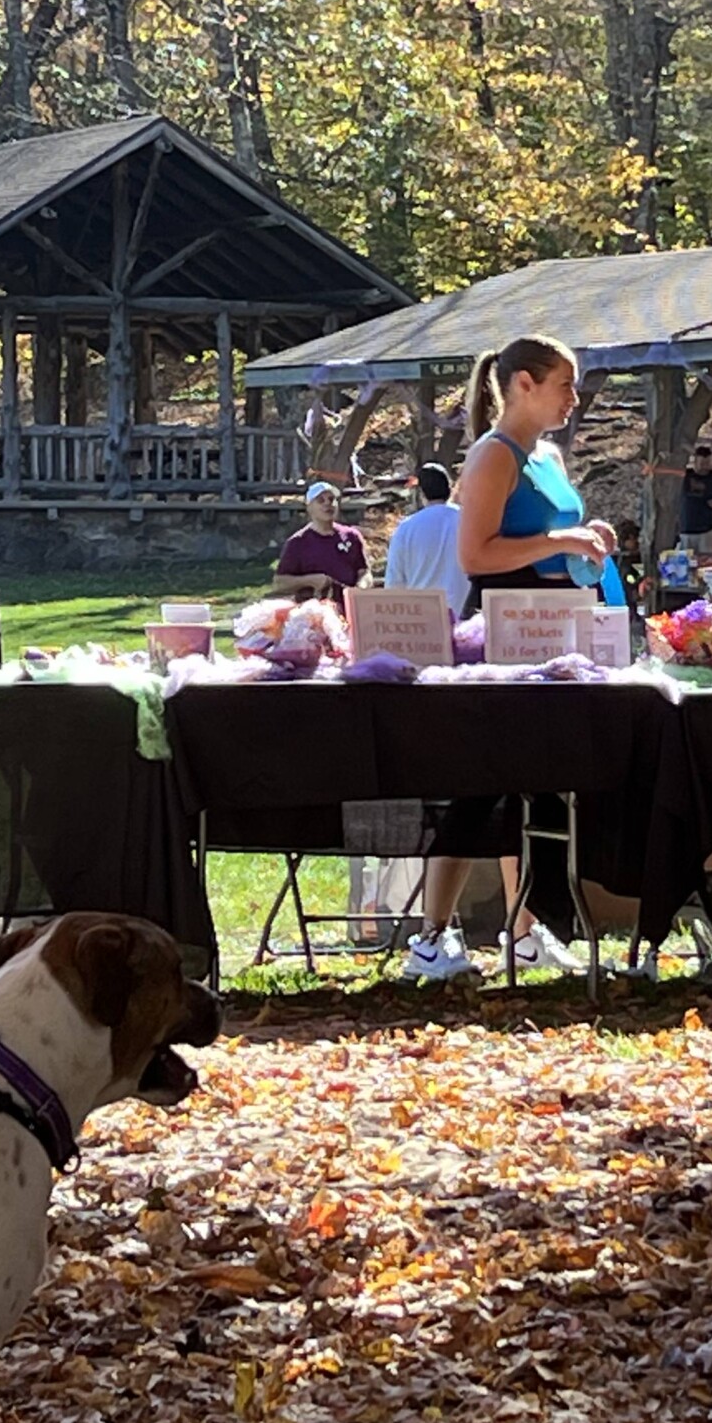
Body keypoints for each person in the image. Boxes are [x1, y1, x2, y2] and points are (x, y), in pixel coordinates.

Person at [400, 335, 620, 983]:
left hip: (559, 626)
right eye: (564, 385)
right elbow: (476, 556)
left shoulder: (546, 455)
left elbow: (550, 533)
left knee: (538, 783)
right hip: (505, 631)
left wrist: (586, 540)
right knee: (481, 785)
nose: (573, 400)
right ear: (523, 383)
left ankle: (524, 930)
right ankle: (430, 940)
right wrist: (559, 538)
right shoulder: (493, 456)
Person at [382, 463, 470, 618]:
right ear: (449, 488)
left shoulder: (406, 528)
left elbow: (394, 584)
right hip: (465, 618)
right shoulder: (469, 521)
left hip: (421, 621)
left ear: (421, 492)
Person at [273, 483, 369, 604]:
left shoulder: (352, 536)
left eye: (331, 499)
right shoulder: (298, 543)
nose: (327, 504)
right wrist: (311, 580)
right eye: (320, 500)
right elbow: (279, 583)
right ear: (309, 508)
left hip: (351, 607)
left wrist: (361, 587)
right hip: (314, 611)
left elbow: (364, 571)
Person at [679, 445, 712, 557]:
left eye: (707, 463)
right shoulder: (684, 477)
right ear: (694, 462)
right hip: (685, 531)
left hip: (708, 531)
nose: (705, 467)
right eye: (702, 464)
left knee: (709, 564)